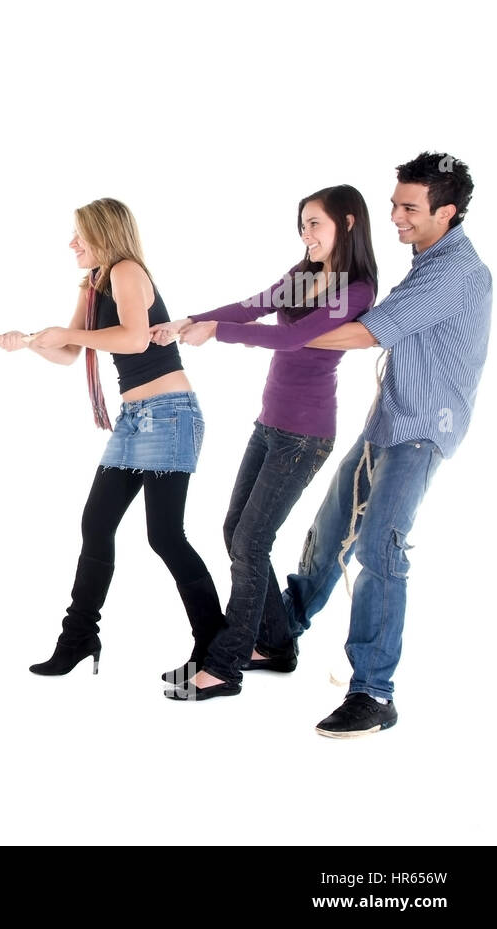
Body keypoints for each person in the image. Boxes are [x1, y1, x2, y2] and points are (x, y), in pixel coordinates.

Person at [269, 153, 490, 737]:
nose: (392, 216)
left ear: (447, 212)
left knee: (379, 548)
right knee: (330, 527)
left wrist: (270, 336)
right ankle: (282, 631)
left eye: (408, 207)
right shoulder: (425, 259)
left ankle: (373, 693)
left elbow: (371, 332)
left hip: (422, 430)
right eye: (394, 202)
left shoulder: (456, 272)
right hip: (388, 421)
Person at [155, 185, 378, 700]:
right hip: (270, 424)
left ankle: (225, 665)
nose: (306, 233)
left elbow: (288, 339)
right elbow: (251, 307)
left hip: (305, 433)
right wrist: (188, 321)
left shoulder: (354, 290)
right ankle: (276, 645)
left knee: (251, 543)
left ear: (347, 223)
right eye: (301, 224)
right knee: (236, 530)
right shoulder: (305, 277)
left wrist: (214, 332)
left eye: (315, 223)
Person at [0, 197, 224, 679]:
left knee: (165, 536)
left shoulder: (125, 270)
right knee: (96, 524)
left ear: (104, 233)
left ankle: (215, 645)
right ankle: (78, 637)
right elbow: (69, 353)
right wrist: (34, 343)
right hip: (134, 417)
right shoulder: (93, 284)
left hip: (169, 414)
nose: (72, 243)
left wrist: (62, 334)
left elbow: (135, 339)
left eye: (80, 233)